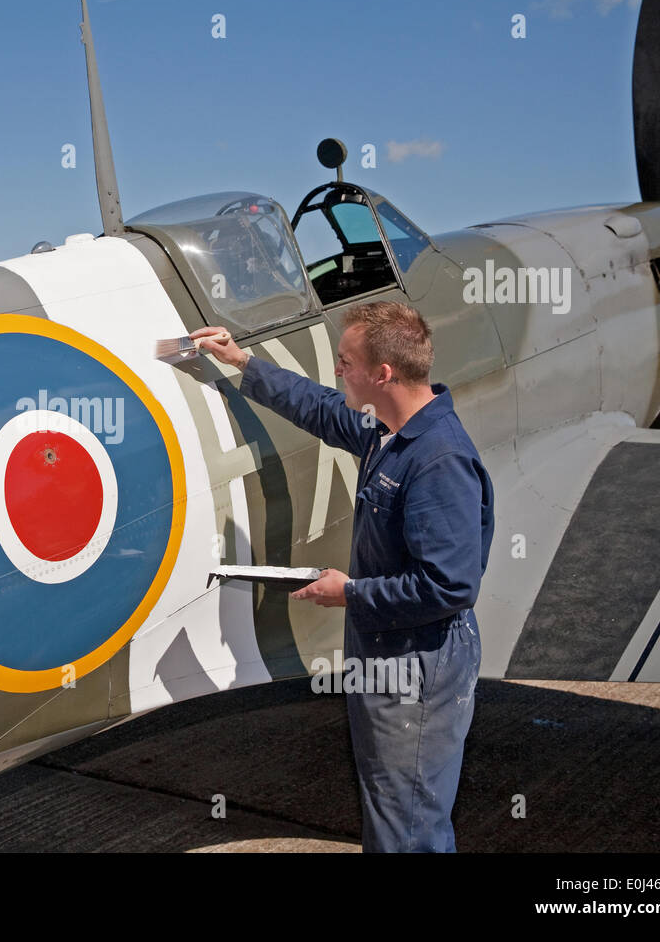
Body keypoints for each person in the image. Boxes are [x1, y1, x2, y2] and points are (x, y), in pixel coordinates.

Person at [191, 300, 494, 852]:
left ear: (383, 373)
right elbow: (321, 408)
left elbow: (451, 587)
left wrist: (349, 592)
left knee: (409, 823)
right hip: (387, 650)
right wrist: (242, 362)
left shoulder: (437, 460)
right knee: (389, 805)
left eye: (345, 362)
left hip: (416, 664)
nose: (337, 372)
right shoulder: (387, 430)